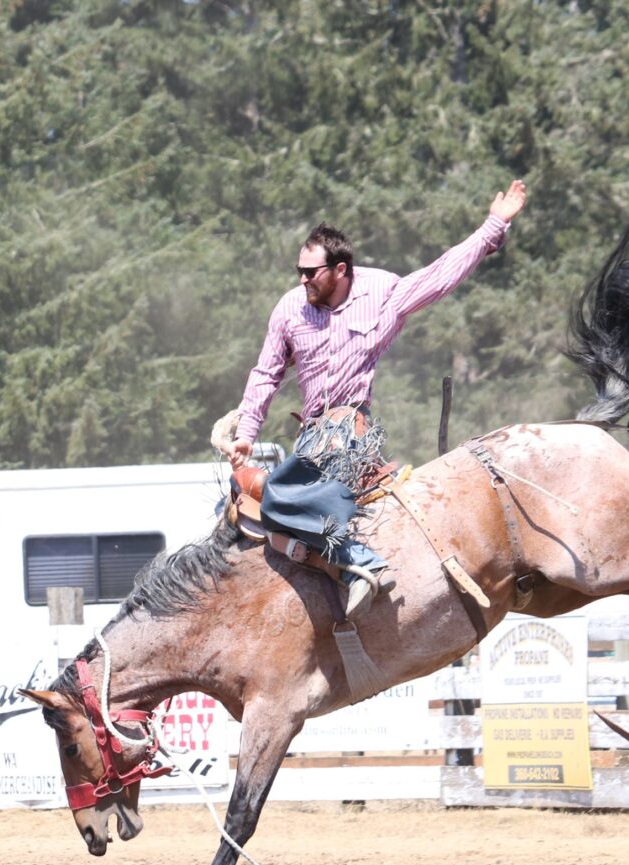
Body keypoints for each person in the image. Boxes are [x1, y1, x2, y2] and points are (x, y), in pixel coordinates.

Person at [223, 180, 527, 619]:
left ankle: (358, 561)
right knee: (242, 506)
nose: (303, 280)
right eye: (299, 272)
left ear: (341, 270)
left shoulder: (382, 293)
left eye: (312, 272)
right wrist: (247, 434)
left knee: (278, 498)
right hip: (313, 434)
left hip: (349, 429)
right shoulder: (290, 310)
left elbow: (440, 275)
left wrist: (493, 225)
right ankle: (340, 569)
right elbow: (265, 374)